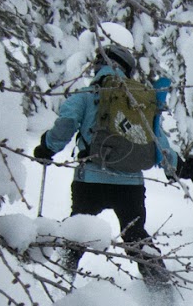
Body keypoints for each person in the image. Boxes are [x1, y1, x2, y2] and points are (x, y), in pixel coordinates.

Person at [34, 41, 179, 284]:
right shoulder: (138, 99)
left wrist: (47, 147)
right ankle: (164, 294)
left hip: (90, 179)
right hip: (131, 183)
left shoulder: (88, 94)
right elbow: (158, 139)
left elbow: (67, 122)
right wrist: (177, 167)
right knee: (136, 238)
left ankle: (59, 286)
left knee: (76, 237)